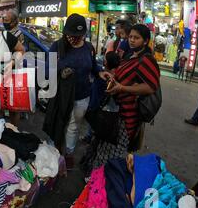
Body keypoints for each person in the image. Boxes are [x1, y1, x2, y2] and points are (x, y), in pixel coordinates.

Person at [91, 24, 161, 170]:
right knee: (106, 147)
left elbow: (150, 87)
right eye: (130, 37)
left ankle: (105, 183)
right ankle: (98, 180)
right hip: (117, 111)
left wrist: (122, 87)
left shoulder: (146, 60)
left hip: (127, 116)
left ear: (145, 41)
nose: (132, 40)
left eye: (136, 38)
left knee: (114, 152)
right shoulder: (132, 56)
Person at [45, 14, 104, 169]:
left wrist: (99, 72)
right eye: (72, 35)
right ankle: (53, 154)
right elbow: (46, 70)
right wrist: (60, 71)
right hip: (60, 95)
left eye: (79, 35)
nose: (75, 38)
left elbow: (92, 65)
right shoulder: (57, 46)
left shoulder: (88, 47)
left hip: (82, 95)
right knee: (58, 124)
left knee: (74, 126)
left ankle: (69, 154)